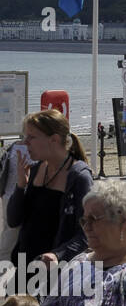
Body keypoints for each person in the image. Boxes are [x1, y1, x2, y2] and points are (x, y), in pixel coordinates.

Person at [6, 108, 93, 266]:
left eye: (31, 137)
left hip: (56, 273)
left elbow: (86, 233)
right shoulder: (36, 169)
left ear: (53, 139)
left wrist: (57, 255)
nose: (25, 142)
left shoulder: (79, 177)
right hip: (25, 267)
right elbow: (13, 221)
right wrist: (20, 186)